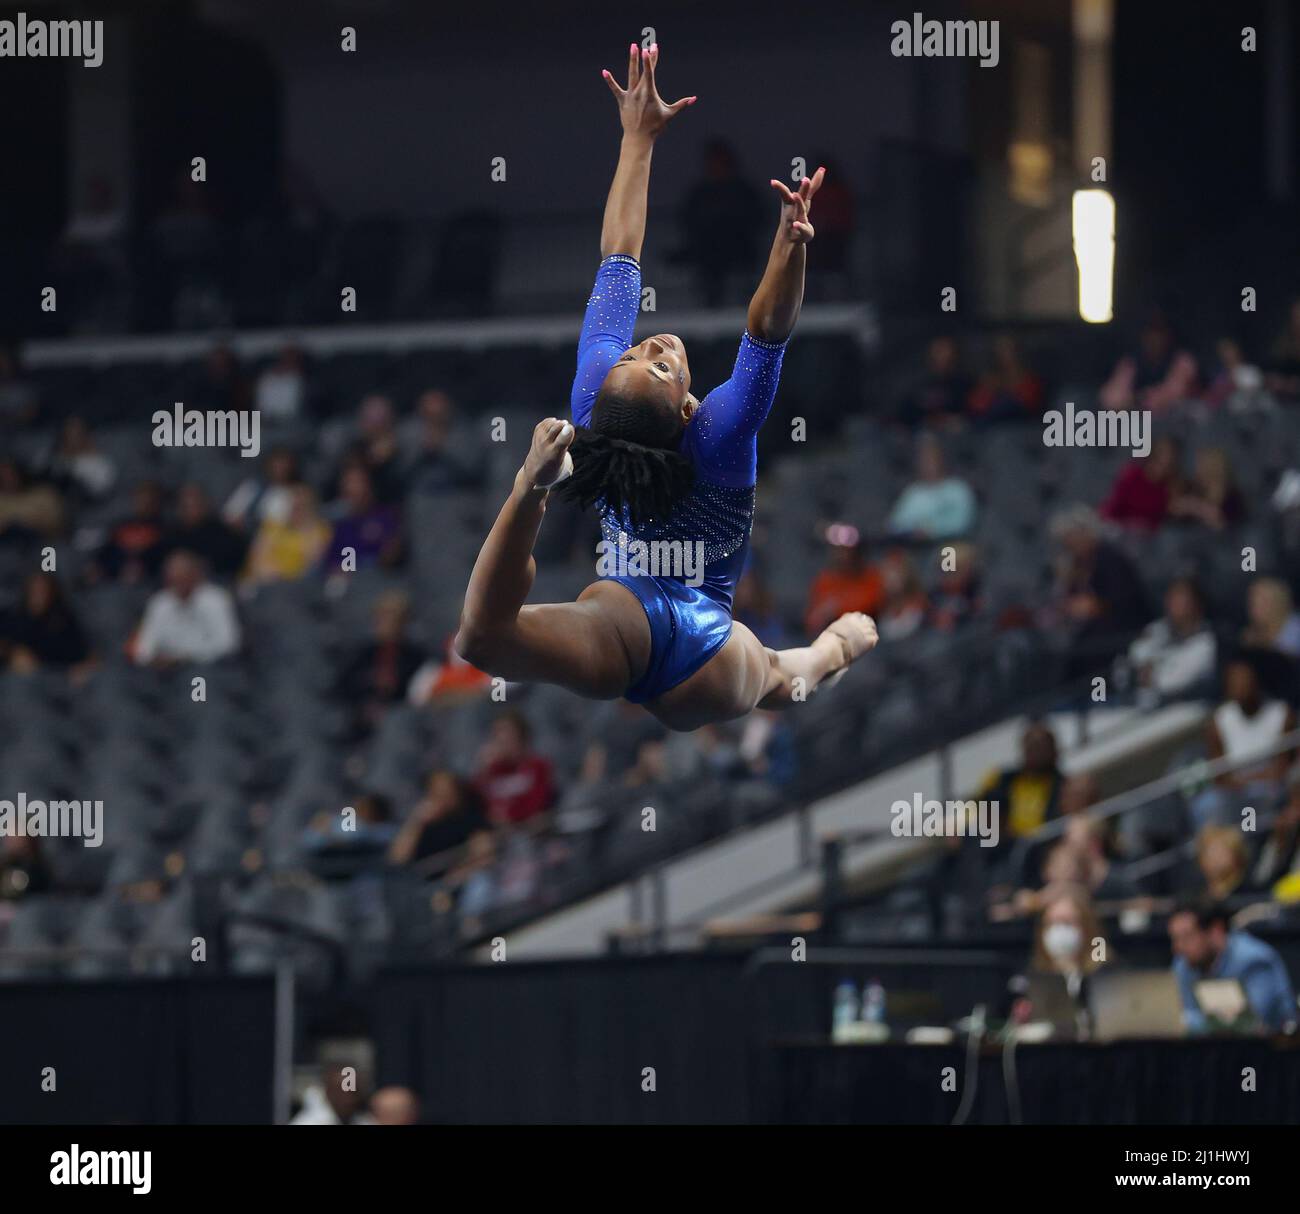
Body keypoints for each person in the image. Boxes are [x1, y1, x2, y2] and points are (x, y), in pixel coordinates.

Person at [454, 43, 877, 733]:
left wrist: (637, 139)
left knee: (778, 675)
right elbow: (765, 336)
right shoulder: (713, 434)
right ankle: (829, 652)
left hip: (635, 629)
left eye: (640, 354)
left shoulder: (599, 401)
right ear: (686, 406)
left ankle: (829, 651)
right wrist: (790, 248)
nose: (651, 344)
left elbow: (620, 256)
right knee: (776, 674)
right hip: (685, 639)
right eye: (652, 361)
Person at [1189, 655, 1295, 829]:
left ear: (1256, 681)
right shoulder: (1218, 722)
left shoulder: (1282, 714)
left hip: (1272, 789)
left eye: (1244, 679)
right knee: (1206, 805)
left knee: (1262, 800)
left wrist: (1247, 781)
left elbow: (1281, 769)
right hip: (1234, 792)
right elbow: (1220, 777)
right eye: (1234, 681)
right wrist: (1244, 784)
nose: (1240, 686)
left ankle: (1257, 840)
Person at [1168, 898, 1296, 1033]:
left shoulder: (1253, 960)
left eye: (1187, 937)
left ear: (1216, 930)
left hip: (1272, 1047)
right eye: (1175, 939)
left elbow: (1247, 1023)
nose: (1178, 948)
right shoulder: (1184, 964)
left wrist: (1187, 1021)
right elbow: (1185, 1012)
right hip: (1211, 1048)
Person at [133, 550, 241, 666]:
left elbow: (228, 644)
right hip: (166, 672)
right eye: (173, 580)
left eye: (182, 578)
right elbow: (144, 646)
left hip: (208, 668)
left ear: (196, 576)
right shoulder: (160, 602)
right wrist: (152, 658)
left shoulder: (215, 599)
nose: (178, 584)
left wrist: (184, 657)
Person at [1124, 576, 1217, 701]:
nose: (1173, 604)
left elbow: (1173, 682)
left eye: (1181, 599)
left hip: (1187, 706)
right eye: (1171, 598)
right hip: (1143, 704)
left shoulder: (1206, 642)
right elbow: (1135, 656)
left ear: (1197, 604)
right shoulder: (1156, 629)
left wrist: (1149, 673)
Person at [388, 771, 490, 867]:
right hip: (417, 877)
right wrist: (416, 822)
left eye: (449, 791)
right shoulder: (423, 820)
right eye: (437, 792)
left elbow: (483, 852)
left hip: (453, 879)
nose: (444, 797)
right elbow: (397, 857)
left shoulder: (471, 817)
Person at [0, 572, 94, 677]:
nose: (38, 593)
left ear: (52, 592)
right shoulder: (11, 616)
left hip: (53, 678)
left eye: (42, 589)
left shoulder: (63, 621)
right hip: (11, 678)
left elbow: (82, 654)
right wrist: (11, 652)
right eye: (34, 588)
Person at [885, 435, 977, 541]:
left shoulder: (958, 489)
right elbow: (895, 526)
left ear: (941, 459)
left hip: (951, 545)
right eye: (924, 460)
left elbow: (963, 523)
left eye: (932, 458)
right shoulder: (913, 492)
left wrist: (931, 531)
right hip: (917, 547)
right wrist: (914, 532)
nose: (928, 464)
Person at [473, 710, 554, 827]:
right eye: (497, 734)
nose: (501, 738)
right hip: (497, 833)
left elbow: (537, 805)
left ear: (521, 737)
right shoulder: (492, 770)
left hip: (527, 832)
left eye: (507, 732)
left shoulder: (538, 765)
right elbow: (478, 807)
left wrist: (508, 816)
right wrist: (482, 769)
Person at [803, 529, 885, 636]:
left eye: (846, 550)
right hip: (832, 640)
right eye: (838, 550)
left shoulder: (872, 577)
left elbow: (868, 609)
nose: (841, 555)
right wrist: (822, 614)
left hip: (866, 639)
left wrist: (838, 607)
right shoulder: (825, 580)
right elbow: (812, 622)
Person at [1098, 435, 1181, 532]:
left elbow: (1163, 518)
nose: (1164, 461)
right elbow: (1113, 508)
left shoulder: (1169, 487)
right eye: (1160, 456)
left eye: (1169, 458)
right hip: (1119, 530)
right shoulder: (1132, 475)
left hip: (1148, 538)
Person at [1167, 447, 1245, 532]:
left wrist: (1193, 505)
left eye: (1202, 464)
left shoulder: (1232, 495)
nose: (1197, 469)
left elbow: (1220, 522)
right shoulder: (1194, 488)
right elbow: (1174, 508)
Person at [1240, 577, 1300, 658]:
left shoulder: (1295, 631)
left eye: (1264, 601)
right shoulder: (1252, 633)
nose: (1254, 607)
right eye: (1252, 601)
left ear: (1280, 603)